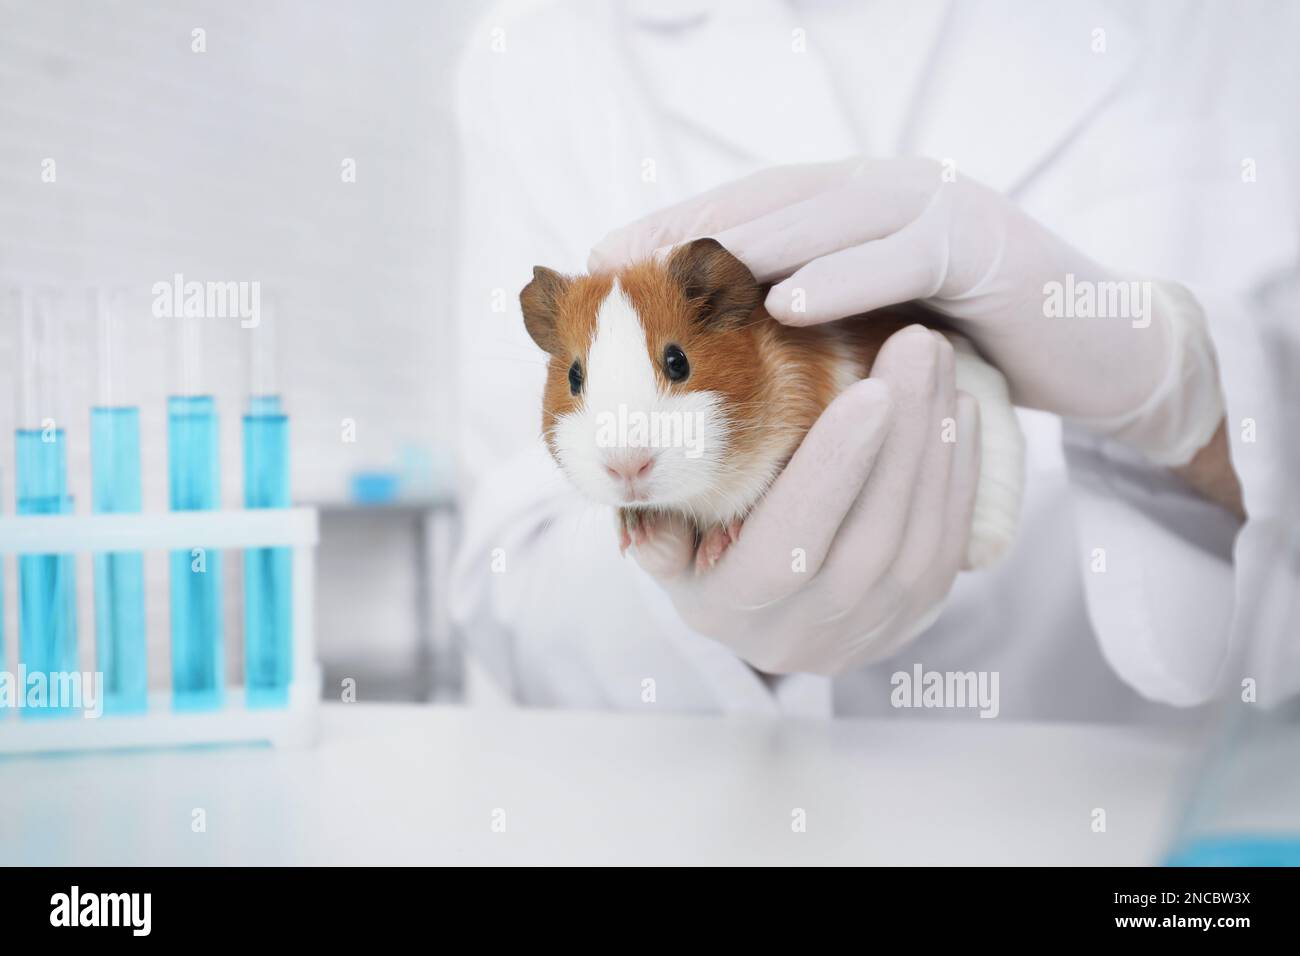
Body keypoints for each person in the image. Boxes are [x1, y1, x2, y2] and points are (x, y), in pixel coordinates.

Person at [449, 0, 1300, 719]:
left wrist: (1185, 393)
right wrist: (706, 618)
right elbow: (506, 566)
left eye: (674, 368)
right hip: (729, 811)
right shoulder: (544, 41)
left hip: (1136, 808)